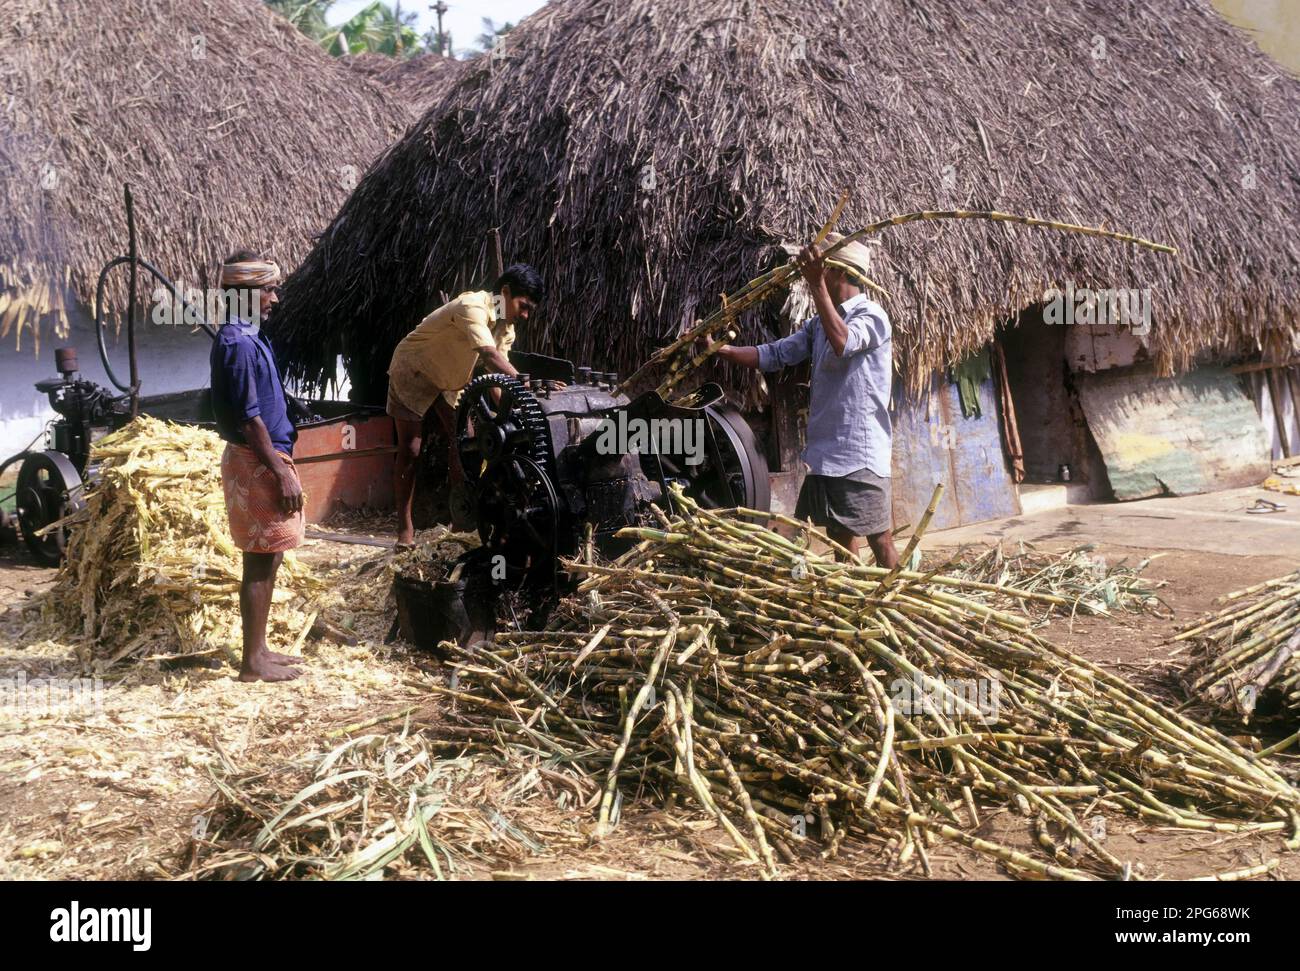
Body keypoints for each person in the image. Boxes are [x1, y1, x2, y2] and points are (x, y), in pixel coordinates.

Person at [712, 234, 899, 567]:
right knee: (840, 540)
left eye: (823, 271)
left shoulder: (872, 316)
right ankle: (855, 608)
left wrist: (817, 288)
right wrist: (724, 351)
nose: (818, 275)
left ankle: (901, 603)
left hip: (860, 454)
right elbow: (776, 354)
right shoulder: (817, 326)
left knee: (879, 538)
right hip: (828, 454)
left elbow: (844, 342)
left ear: (839, 274)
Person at [385, 263, 545, 546]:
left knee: (465, 444)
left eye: (530, 309)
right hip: (414, 369)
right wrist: (525, 384)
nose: (525, 315)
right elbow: (490, 356)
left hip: (449, 379)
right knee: (411, 449)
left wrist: (508, 414)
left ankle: (461, 522)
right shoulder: (472, 307)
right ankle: (405, 532)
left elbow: (496, 379)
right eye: (523, 305)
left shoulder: (505, 329)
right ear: (505, 292)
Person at [209, 250, 306, 683]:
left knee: (269, 555)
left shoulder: (249, 337)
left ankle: (260, 649)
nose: (275, 298)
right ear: (246, 293)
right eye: (268, 290)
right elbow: (250, 419)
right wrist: (280, 471)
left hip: (267, 457)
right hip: (256, 460)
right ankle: (252, 663)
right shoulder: (236, 342)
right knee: (258, 560)